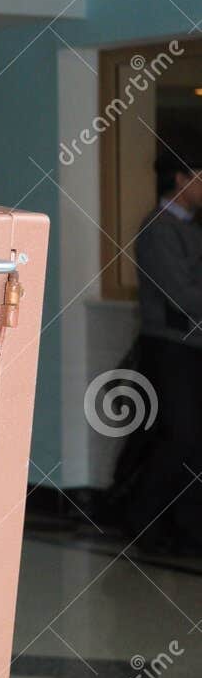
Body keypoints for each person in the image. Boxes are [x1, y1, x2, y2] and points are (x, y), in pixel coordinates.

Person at [126, 141, 202, 557]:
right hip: (171, 347)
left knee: (191, 440)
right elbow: (181, 294)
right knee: (178, 435)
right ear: (180, 179)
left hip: (192, 347)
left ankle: (184, 526)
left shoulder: (191, 227)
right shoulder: (158, 227)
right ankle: (145, 523)